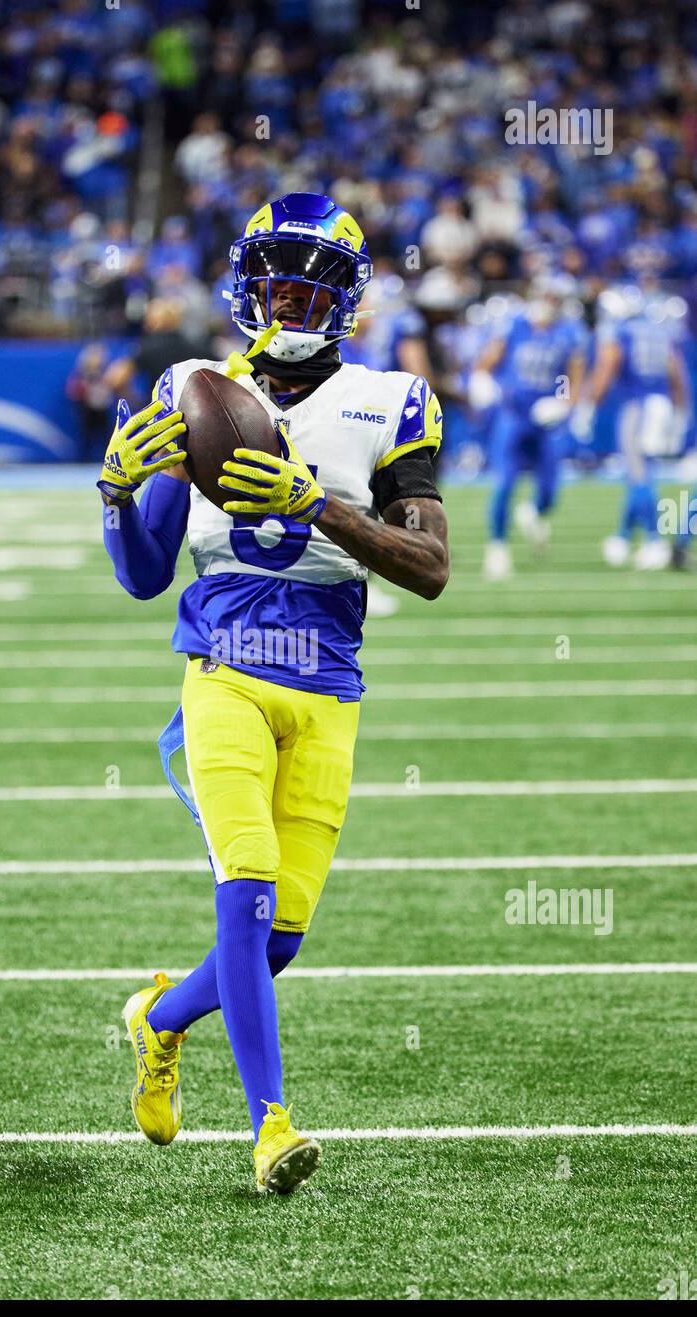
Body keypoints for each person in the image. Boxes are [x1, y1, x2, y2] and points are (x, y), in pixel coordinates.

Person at [98, 193, 449, 1194]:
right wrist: (119, 498)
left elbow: (427, 567)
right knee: (244, 900)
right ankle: (271, 1128)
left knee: (278, 938)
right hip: (224, 676)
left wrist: (321, 506)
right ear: (241, 281)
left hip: (328, 687)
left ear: (342, 297)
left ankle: (157, 1017)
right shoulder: (190, 386)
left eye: (306, 278)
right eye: (268, 274)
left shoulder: (394, 399)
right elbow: (141, 572)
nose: (281, 293)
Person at [473, 275, 587, 580]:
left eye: (555, 297)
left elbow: (574, 380)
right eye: (546, 295)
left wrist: (563, 404)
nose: (549, 302)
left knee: (550, 489)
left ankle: (534, 513)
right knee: (504, 483)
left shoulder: (569, 332)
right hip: (513, 413)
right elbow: (485, 365)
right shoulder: (514, 325)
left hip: (546, 421)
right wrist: (485, 384)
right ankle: (497, 547)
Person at [573, 285, 689, 570]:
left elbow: (608, 365)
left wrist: (588, 405)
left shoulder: (618, 330)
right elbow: (676, 372)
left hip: (637, 408)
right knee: (641, 472)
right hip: (660, 404)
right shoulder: (656, 328)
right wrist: (680, 410)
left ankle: (654, 539)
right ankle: (623, 536)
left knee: (639, 476)